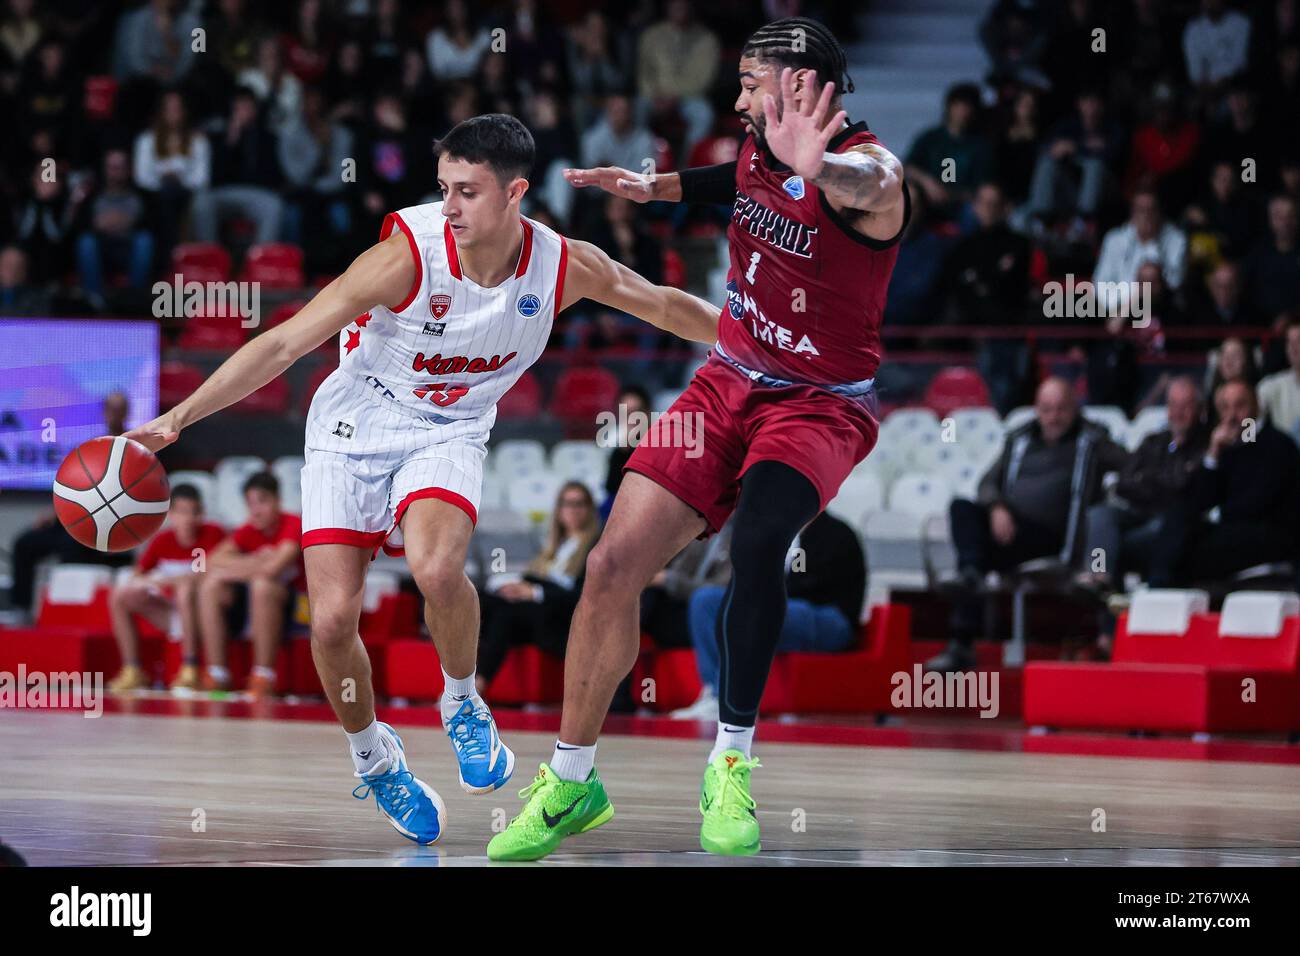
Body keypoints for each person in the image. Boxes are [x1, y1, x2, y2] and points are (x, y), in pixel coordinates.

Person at [125, 113, 719, 846]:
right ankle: (376, 760)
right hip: (353, 426)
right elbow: (282, 342)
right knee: (335, 620)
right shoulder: (406, 255)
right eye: (444, 188)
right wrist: (178, 419)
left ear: (515, 193)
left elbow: (662, 304)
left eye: (467, 192)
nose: (451, 207)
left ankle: (464, 702)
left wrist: (766, 344)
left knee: (439, 570)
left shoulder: (564, 265)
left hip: (451, 429)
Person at [499, 17, 909, 861]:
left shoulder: (870, 168)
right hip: (727, 378)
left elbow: (869, 188)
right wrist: (660, 190)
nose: (737, 96)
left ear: (800, 87)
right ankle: (573, 783)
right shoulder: (759, 149)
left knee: (758, 544)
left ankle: (730, 764)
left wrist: (819, 166)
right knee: (609, 564)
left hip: (818, 403)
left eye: (752, 82)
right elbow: (739, 179)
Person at [928, 377, 1128, 673]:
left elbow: (1133, 466)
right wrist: (997, 507)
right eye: (1046, 409)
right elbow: (986, 483)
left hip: (1055, 537)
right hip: (1010, 530)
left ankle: (962, 640)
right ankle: (969, 589)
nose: (1054, 417)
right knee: (962, 510)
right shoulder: (1019, 440)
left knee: (973, 558)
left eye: (1061, 409)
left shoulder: (1092, 441)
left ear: (1075, 409)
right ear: (1036, 409)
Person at [675, 510, 866, 721]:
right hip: (780, 611)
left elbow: (814, 587)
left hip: (828, 619)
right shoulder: (775, 531)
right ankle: (716, 693)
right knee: (706, 600)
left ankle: (736, 702)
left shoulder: (837, 533)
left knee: (765, 610)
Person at [1148, 380, 1300, 586]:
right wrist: (1212, 454)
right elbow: (1196, 500)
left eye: (1240, 405)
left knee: (1189, 551)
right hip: (1230, 528)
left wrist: (1216, 515)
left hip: (1270, 531)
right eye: (1225, 407)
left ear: (1256, 406)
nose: (1232, 415)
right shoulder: (1226, 447)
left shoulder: (1277, 444)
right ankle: (1156, 588)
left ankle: (1161, 592)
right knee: (1177, 519)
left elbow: (1260, 501)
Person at [4, 393, 133, 623]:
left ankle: (65, 617)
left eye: (119, 409)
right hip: (72, 518)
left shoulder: (135, 451)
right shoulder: (90, 447)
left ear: (126, 413)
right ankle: (21, 610)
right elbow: (74, 487)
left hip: (103, 524)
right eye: (110, 409)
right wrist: (54, 513)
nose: (114, 415)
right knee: (25, 543)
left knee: (71, 545)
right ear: (104, 413)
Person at [1074, 376, 1208, 596]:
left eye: (1186, 405)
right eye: (1173, 404)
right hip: (1138, 514)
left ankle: (1112, 623)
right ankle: (1098, 574)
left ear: (1200, 410)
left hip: (1171, 522)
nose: (1178, 412)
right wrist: (1159, 483)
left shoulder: (1204, 445)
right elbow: (1123, 482)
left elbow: (1183, 487)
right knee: (1100, 514)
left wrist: (1147, 481)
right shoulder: (1153, 441)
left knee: (1124, 542)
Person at [475, 481, 599, 689]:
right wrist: (516, 588)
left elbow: (582, 594)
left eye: (579, 504)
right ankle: (461, 675)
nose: (573, 511)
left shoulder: (594, 547)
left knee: (504, 614)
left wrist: (534, 592)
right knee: (482, 600)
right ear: (559, 510)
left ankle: (476, 685)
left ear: (589, 509)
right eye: (567, 504)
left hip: (558, 615)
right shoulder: (553, 545)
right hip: (533, 608)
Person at [106, 484, 226, 693]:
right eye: (182, 512)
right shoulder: (162, 541)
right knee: (120, 596)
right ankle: (132, 670)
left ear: (201, 514)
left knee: (185, 589)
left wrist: (165, 581)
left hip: (205, 615)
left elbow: (202, 577)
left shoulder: (214, 535)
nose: (188, 519)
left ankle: (191, 667)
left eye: (194, 512)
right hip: (174, 613)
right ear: (171, 515)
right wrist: (153, 584)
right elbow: (138, 575)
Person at [194, 472, 302, 697]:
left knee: (263, 585)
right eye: (250, 504)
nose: (256, 510)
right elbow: (211, 562)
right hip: (252, 600)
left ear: (277, 500)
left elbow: (273, 569)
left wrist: (235, 568)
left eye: (262, 501)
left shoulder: (293, 523)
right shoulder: (249, 529)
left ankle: (264, 677)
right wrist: (257, 560)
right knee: (210, 587)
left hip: (299, 606)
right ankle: (217, 675)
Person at [1257, 320, 1300, 438]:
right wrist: (1249, 442)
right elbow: (1251, 418)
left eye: (1299, 341)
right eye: (1290, 342)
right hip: (1287, 452)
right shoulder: (1270, 384)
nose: (1294, 348)